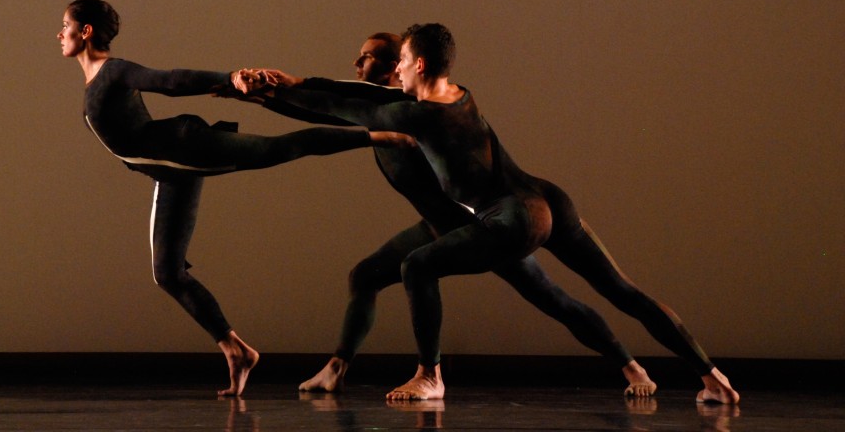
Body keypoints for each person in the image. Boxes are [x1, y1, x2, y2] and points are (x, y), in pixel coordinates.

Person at [246, 23, 739, 404]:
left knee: (418, 266)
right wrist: (293, 81)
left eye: (400, 62)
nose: (396, 70)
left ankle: (430, 376)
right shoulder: (457, 92)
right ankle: (713, 378)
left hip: (512, 219)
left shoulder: (413, 117)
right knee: (622, 291)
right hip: (547, 198)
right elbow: (358, 94)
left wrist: (274, 92)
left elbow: (340, 106)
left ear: (417, 63)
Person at [57, 0, 407, 396]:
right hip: (170, 174)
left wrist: (230, 77)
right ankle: (237, 351)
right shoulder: (95, 81)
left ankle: (374, 136)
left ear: (85, 31)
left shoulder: (113, 71)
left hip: (188, 149)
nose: (59, 32)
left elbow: (170, 80)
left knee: (276, 149)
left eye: (65, 24)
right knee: (168, 274)